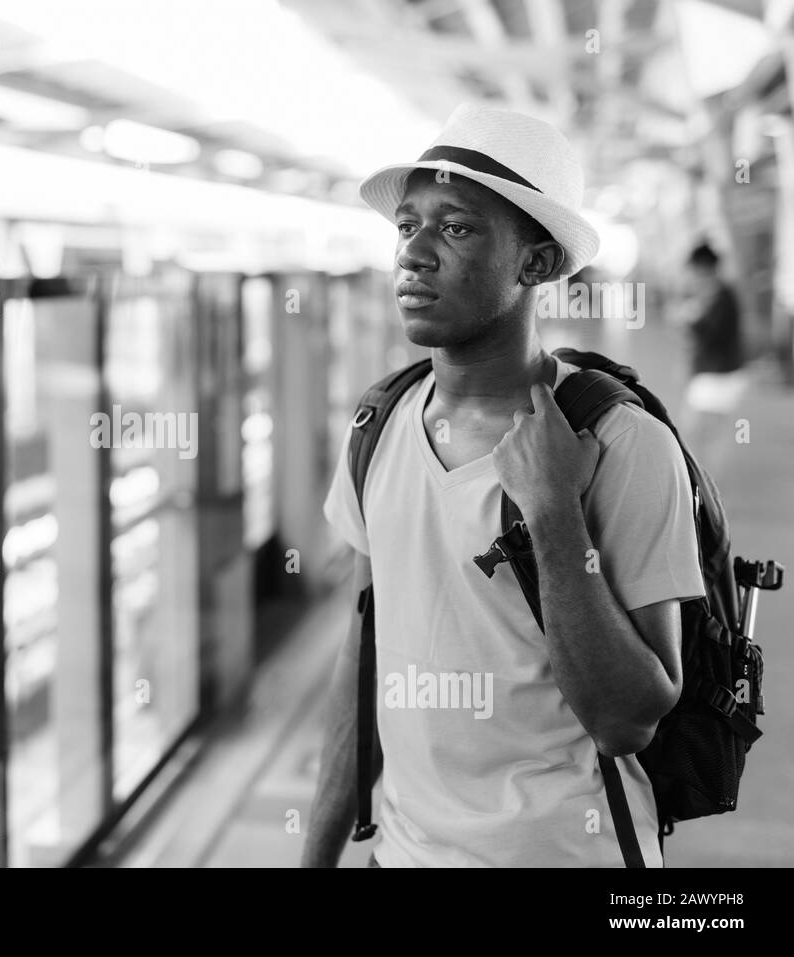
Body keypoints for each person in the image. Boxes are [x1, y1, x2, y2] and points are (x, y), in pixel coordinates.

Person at [301, 104, 706, 867]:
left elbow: (628, 721)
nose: (414, 253)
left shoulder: (623, 446)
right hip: (404, 854)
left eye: (455, 228)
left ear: (538, 265)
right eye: (407, 225)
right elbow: (365, 651)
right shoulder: (376, 427)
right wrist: (317, 852)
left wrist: (554, 512)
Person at [679, 242, 746, 466]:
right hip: (715, 374)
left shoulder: (721, 298)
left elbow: (710, 337)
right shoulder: (714, 295)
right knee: (701, 434)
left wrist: (691, 320)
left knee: (700, 434)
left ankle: (707, 488)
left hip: (719, 376)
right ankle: (708, 487)